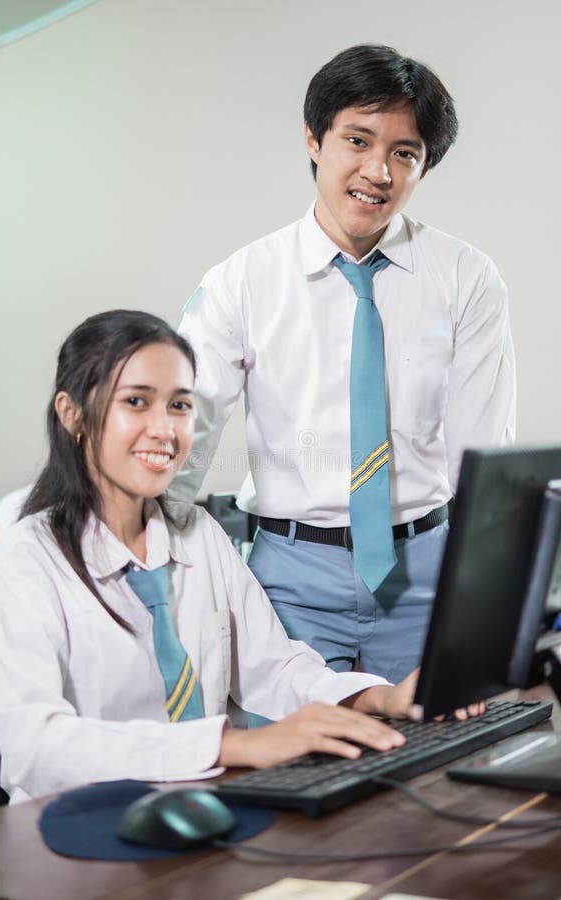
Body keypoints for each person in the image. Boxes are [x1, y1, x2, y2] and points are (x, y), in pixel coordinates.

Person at [0, 310, 485, 805]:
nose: (165, 429)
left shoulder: (196, 533)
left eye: (179, 406)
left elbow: (274, 667)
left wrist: (381, 698)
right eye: (137, 402)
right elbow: (34, 747)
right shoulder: (27, 561)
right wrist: (232, 745)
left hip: (201, 805)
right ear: (73, 415)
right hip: (76, 826)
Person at [174, 44, 516, 683]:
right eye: (357, 140)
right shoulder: (241, 281)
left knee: (436, 759)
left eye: (404, 153)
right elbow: (184, 437)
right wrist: (154, 577)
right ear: (313, 139)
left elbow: (479, 456)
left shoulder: (467, 279)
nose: (378, 172)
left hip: (428, 566)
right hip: (290, 573)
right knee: (296, 765)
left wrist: (487, 592)